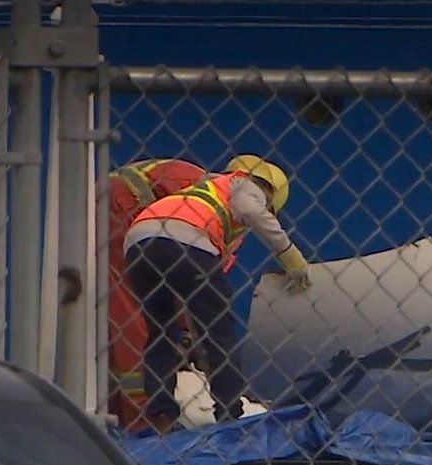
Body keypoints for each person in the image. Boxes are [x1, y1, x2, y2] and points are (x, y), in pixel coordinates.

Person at [123, 154, 312, 433]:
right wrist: (290, 256)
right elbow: (252, 210)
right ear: (271, 193)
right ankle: (229, 414)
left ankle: (161, 413)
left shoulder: (203, 192)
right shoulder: (244, 185)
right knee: (219, 331)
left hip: (138, 245)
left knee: (161, 332)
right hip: (187, 241)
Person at [108, 158, 208, 378]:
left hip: (109, 202)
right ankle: (146, 403)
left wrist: (185, 331)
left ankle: (118, 401)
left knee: (112, 312)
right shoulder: (220, 209)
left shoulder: (198, 181)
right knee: (137, 315)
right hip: (126, 208)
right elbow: (196, 282)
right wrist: (191, 335)